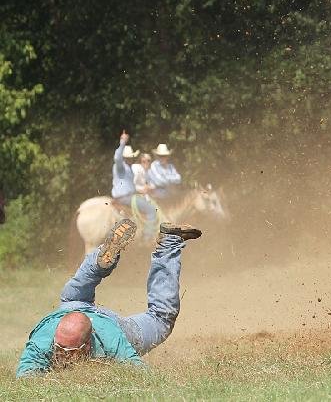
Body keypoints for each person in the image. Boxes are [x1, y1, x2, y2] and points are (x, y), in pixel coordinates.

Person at [16, 219, 202, 378]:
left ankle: (168, 243)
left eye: (69, 352)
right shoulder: (44, 341)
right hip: (71, 307)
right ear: (56, 336)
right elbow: (25, 377)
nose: (61, 355)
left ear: (88, 344)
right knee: (70, 296)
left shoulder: (112, 340)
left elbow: (140, 373)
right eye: (60, 348)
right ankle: (98, 263)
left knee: (161, 318)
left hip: (112, 325)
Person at [112, 132, 157, 240]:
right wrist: (122, 142)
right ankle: (147, 239)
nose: (130, 159)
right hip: (126, 198)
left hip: (127, 196)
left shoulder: (127, 167)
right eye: (128, 157)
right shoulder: (121, 166)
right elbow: (117, 158)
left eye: (131, 158)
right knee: (151, 209)